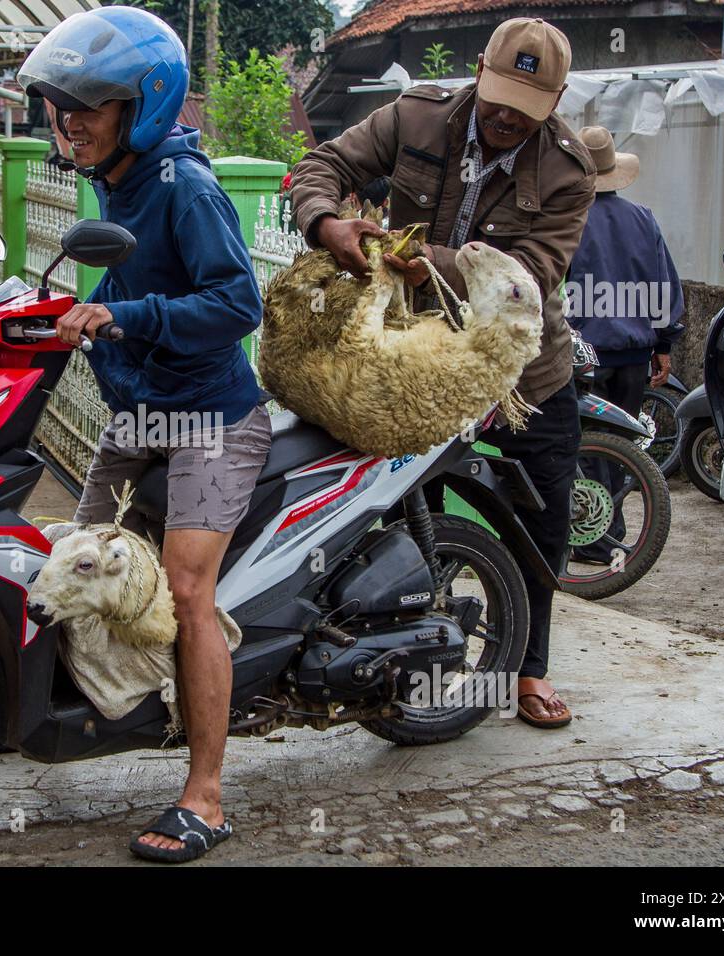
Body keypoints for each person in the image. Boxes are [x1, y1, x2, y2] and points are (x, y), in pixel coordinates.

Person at [289, 17, 595, 728]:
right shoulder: (417, 115)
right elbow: (320, 168)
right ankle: (387, 650)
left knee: (541, 525)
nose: (505, 117)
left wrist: (427, 259)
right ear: (478, 73)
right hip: (411, 356)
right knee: (388, 505)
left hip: (523, 374)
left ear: (555, 103)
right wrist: (327, 224)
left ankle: (530, 669)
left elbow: (533, 276)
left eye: (526, 110)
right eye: (496, 99)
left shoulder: (569, 173)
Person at [18, 6, 272, 862]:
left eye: (88, 105)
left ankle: (206, 796)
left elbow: (240, 303)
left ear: (147, 102)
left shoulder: (183, 186)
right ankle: (108, 707)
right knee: (74, 570)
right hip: (140, 418)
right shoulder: (113, 178)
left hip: (211, 420)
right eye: (60, 106)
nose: (69, 122)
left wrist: (126, 317)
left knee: (188, 594)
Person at [565, 125, 685, 563]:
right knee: (622, 446)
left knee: (589, 446)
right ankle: (610, 528)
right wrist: (665, 344)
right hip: (634, 355)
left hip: (586, 356)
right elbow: (664, 284)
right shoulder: (644, 219)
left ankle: (596, 534)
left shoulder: (569, 220)